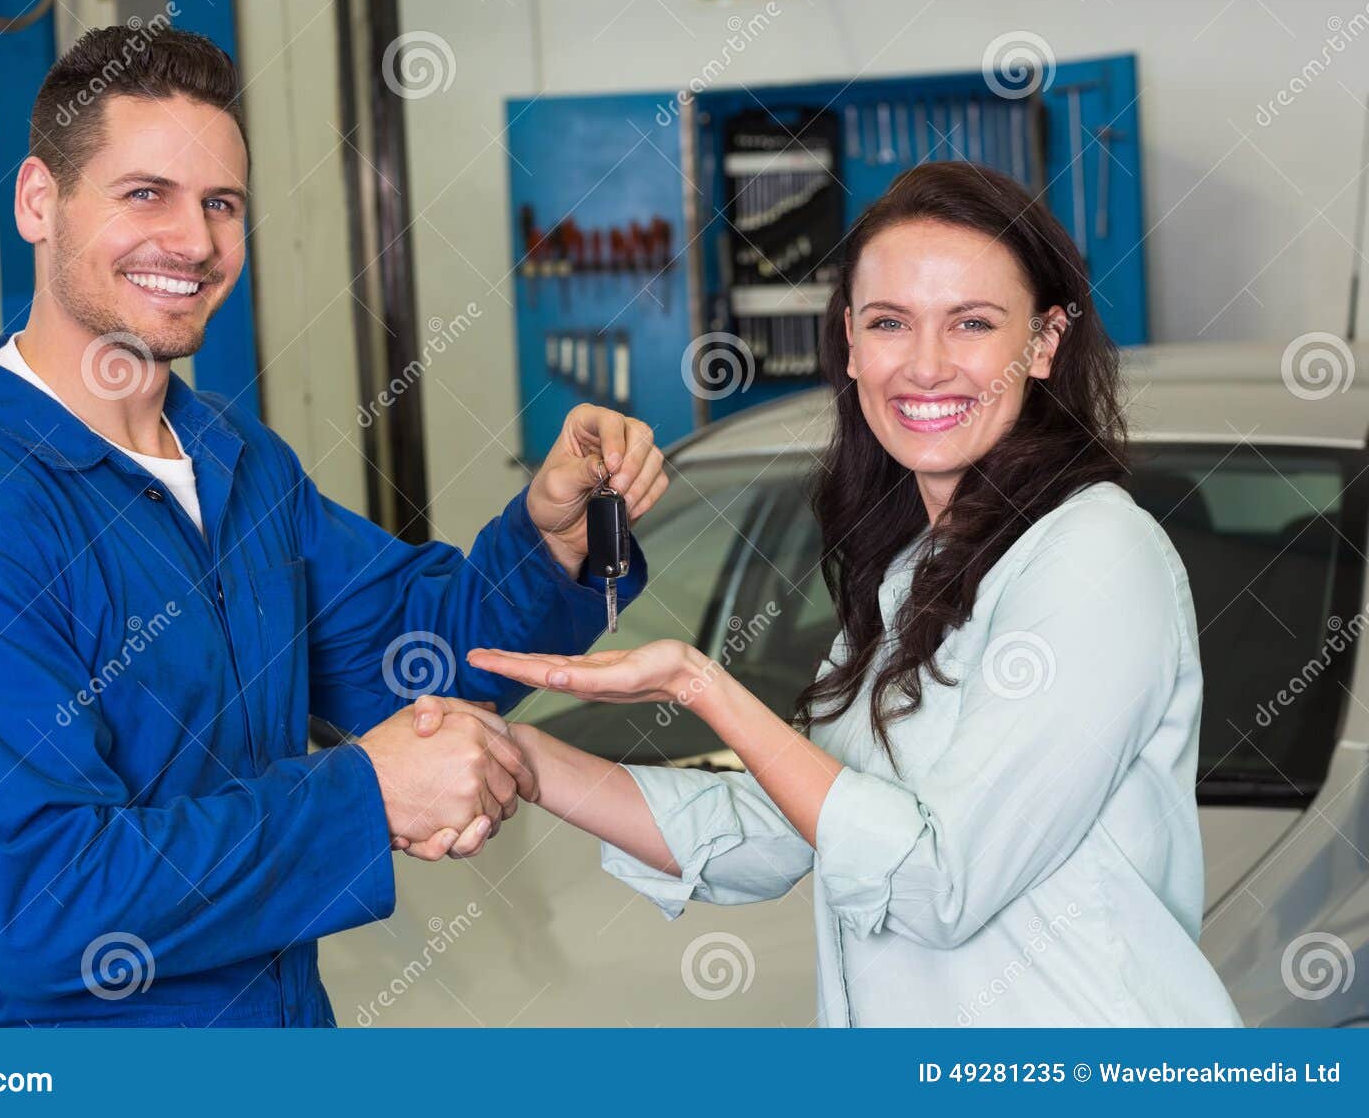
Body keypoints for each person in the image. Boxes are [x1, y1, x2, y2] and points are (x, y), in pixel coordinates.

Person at [0, 27, 668, 1027]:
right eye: (146, 193)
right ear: (38, 202)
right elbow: (38, 899)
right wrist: (365, 797)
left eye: (220, 203)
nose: (194, 242)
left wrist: (553, 540)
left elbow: (415, 654)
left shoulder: (236, 461)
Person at [462, 162, 1245, 1027]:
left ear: (1046, 341)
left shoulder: (1096, 556)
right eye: (889, 322)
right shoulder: (912, 569)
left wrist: (699, 684)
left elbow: (939, 884)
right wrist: (515, 754)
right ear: (849, 340)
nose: (926, 366)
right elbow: (774, 829)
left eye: (973, 323)